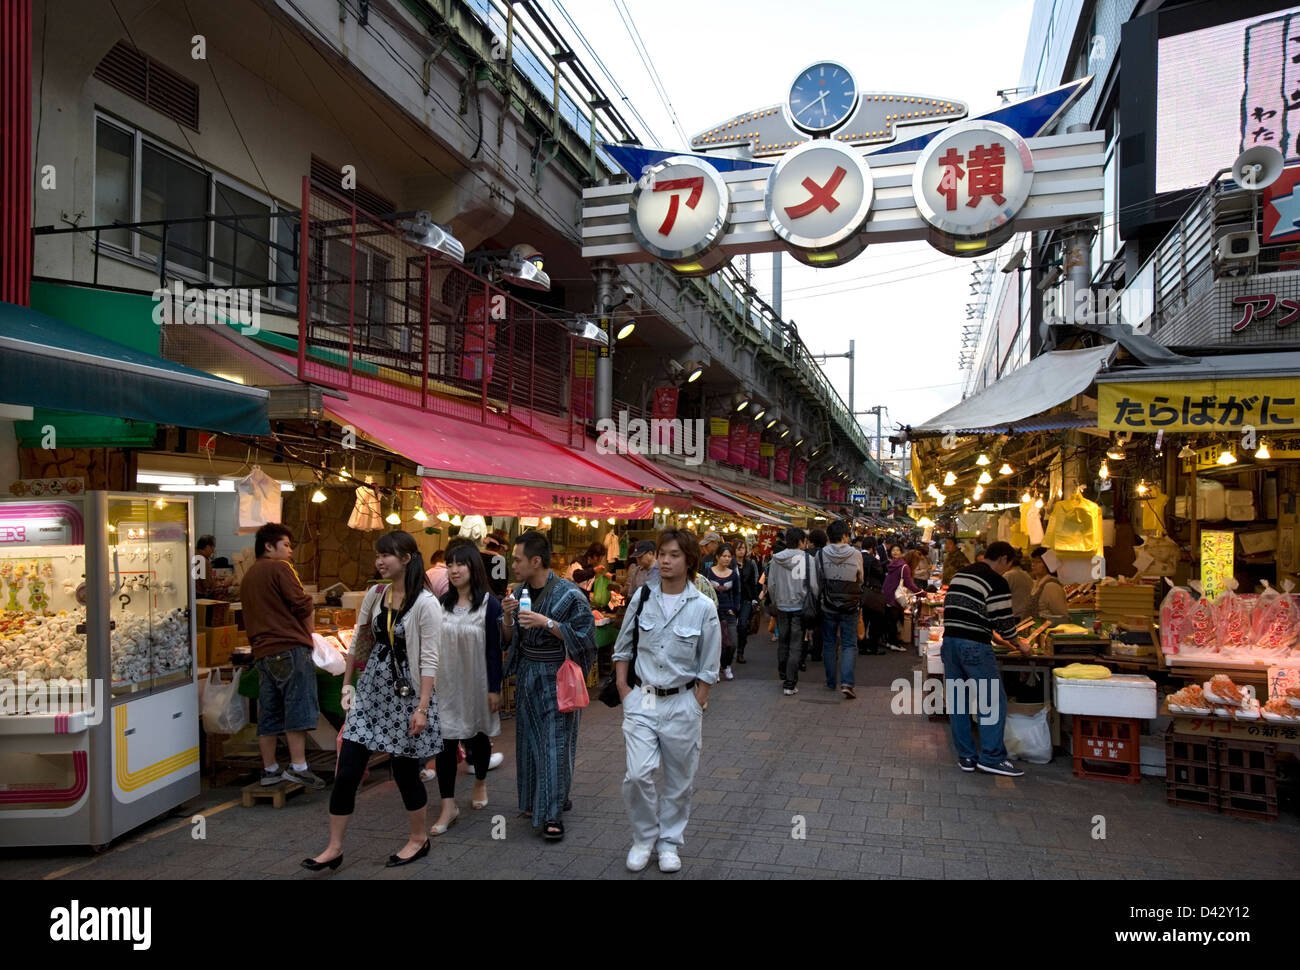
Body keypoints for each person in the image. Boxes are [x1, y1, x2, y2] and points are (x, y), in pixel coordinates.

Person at [303, 531, 442, 871]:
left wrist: (422, 708)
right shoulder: (376, 593)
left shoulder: (426, 603)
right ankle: (334, 848)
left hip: (407, 696)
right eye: (378, 555)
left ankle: (418, 838)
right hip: (371, 692)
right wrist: (348, 684)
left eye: (387, 555)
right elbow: (361, 641)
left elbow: (430, 659)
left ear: (407, 558)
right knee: (348, 769)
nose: (380, 561)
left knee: (404, 771)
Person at [614, 530, 721, 874]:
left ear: (689, 560)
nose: (665, 560)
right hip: (642, 700)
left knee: (679, 781)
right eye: (662, 553)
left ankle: (669, 842)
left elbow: (710, 663)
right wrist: (623, 689)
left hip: (683, 702)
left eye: (674, 554)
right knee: (637, 774)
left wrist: (698, 700)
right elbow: (623, 645)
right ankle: (644, 837)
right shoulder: (643, 597)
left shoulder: (703, 607)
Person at [501, 531, 597, 841]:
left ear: (536, 560)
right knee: (529, 741)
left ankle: (553, 813)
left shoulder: (570, 594)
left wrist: (548, 623)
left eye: (517, 559)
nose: (513, 565)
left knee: (555, 743)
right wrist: (506, 619)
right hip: (528, 673)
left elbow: (586, 637)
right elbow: (509, 639)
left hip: (557, 675)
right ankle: (536, 801)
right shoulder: (518, 592)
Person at [240, 524, 324, 791]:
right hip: (289, 648)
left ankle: (270, 769)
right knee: (296, 705)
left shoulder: (249, 575)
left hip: (262, 653)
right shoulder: (280, 569)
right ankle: (299, 767)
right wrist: (311, 636)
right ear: (269, 546)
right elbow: (302, 604)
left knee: (270, 711)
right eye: (286, 545)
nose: (290, 551)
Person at [428, 542, 503, 834]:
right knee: (445, 743)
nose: (454, 569)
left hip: (477, 683)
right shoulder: (440, 604)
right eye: (450, 564)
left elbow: (495, 650)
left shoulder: (489, 604)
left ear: (473, 567)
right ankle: (448, 805)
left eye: (460, 564)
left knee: (478, 737)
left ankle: (481, 782)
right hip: (445, 684)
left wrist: (494, 687)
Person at [941, 540, 1033, 777]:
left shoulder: (963, 573)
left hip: (950, 642)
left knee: (959, 701)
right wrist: (1019, 644)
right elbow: (1003, 622)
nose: (1006, 570)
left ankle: (967, 757)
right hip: (973, 645)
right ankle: (991, 757)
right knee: (992, 700)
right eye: (1008, 564)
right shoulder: (996, 581)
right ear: (1003, 558)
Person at [766, 527, 819, 696]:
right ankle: (790, 682)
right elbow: (814, 586)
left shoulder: (775, 559)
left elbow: (771, 585)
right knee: (796, 645)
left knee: (783, 640)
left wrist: (775, 601)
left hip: (782, 606)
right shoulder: (808, 559)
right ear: (800, 541)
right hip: (800, 607)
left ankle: (783, 672)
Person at [816, 520, 863, 698]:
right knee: (849, 644)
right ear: (844, 536)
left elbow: (817, 580)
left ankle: (830, 681)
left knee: (829, 643)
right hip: (851, 605)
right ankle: (847, 683)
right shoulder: (856, 554)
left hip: (828, 604)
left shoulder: (820, 554)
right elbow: (861, 579)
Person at [705, 543, 740, 681]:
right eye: (724, 556)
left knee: (732, 643)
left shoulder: (733, 575)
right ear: (717, 557)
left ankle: (726, 665)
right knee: (715, 642)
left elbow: (737, 593)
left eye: (729, 556)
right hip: (712, 612)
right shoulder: (708, 572)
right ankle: (716, 667)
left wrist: (735, 608)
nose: (727, 559)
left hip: (728, 612)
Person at [882, 543, 920, 652]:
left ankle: (890, 641)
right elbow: (909, 584)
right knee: (894, 619)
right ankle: (894, 643)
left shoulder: (896, 564)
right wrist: (922, 593)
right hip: (895, 595)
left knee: (891, 619)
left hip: (888, 593)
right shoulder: (905, 567)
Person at [858, 542, 890, 655]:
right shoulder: (873, 560)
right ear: (872, 548)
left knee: (863, 620)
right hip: (873, 593)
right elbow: (881, 574)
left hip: (860, 592)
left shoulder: (857, 557)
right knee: (875, 620)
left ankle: (861, 645)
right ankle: (872, 647)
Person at [733, 538, 760, 665]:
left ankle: (740, 651)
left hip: (746, 599)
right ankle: (730, 650)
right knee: (731, 627)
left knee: (743, 625)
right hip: (732, 599)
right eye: (738, 548)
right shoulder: (730, 563)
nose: (741, 551)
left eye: (742, 548)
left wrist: (755, 598)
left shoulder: (750, 564)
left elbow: (753, 583)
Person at [1028, 547, 1070, 621]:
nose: (1033, 565)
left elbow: (1062, 616)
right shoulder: (1036, 583)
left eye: (1038, 562)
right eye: (1033, 561)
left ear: (1047, 565)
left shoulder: (1051, 586)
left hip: (1050, 628)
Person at [1002, 550, 1034, 620]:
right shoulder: (1026, 575)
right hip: (1026, 616)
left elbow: (1001, 598)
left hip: (1015, 617)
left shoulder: (1009, 575)